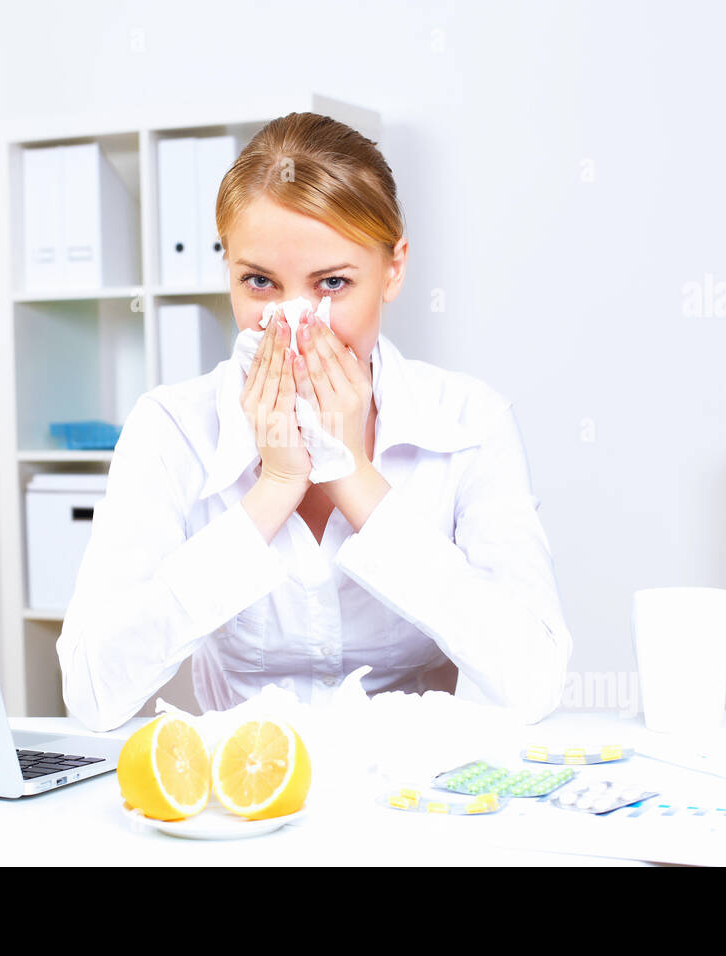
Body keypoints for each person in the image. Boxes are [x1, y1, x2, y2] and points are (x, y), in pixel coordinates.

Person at [57, 111, 572, 731]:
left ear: (394, 269)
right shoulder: (171, 428)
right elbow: (91, 693)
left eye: (332, 282)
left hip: (412, 798)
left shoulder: (469, 423)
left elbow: (535, 680)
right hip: (247, 800)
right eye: (259, 282)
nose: (295, 321)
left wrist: (353, 476)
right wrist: (272, 490)